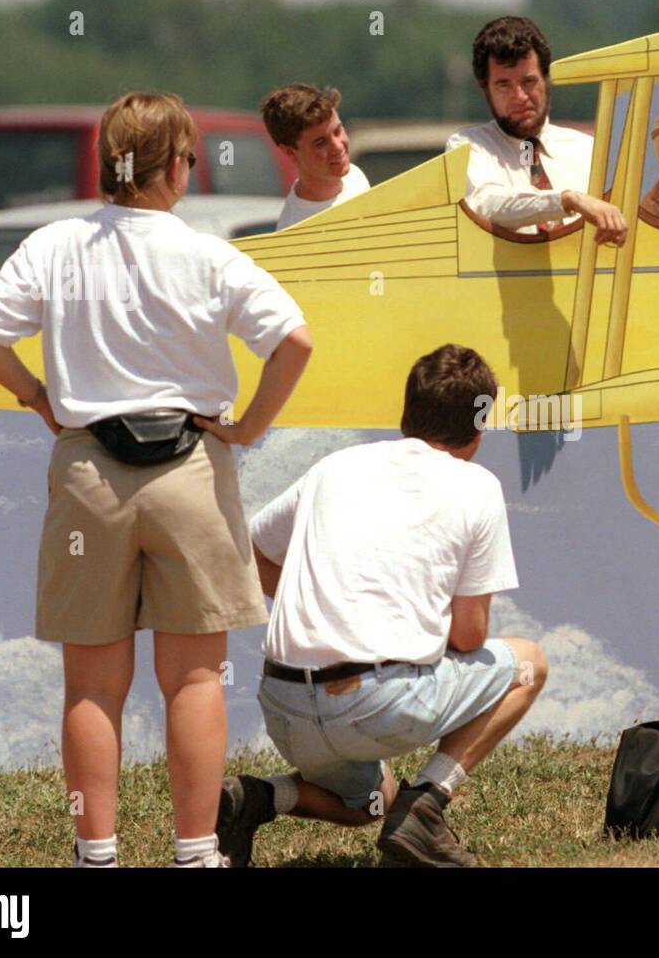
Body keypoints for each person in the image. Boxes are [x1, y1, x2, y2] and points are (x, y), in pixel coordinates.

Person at [0, 91, 312, 867]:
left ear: (107, 164)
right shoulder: (210, 253)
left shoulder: (55, 245)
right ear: (179, 167)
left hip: (89, 472)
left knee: (91, 686)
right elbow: (294, 341)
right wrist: (249, 428)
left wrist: (36, 395)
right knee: (194, 681)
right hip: (191, 470)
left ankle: (97, 855)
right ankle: (194, 853)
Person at [215, 344, 548, 868]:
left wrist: (327, 601)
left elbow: (249, 554)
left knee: (372, 802)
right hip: (374, 705)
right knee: (529, 662)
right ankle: (428, 806)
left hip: (284, 707)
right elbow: (467, 637)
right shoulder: (478, 486)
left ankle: (254, 797)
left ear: (406, 413)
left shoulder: (336, 466)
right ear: (479, 431)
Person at [446, 15, 627, 244]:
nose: (520, 97)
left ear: (546, 79)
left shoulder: (589, 150)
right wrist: (566, 201)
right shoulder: (468, 147)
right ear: (484, 88)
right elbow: (486, 206)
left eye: (529, 82)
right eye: (504, 85)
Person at [261, 83, 370, 231]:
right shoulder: (294, 230)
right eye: (321, 143)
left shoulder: (355, 176)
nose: (338, 147)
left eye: (338, 131)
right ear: (289, 152)